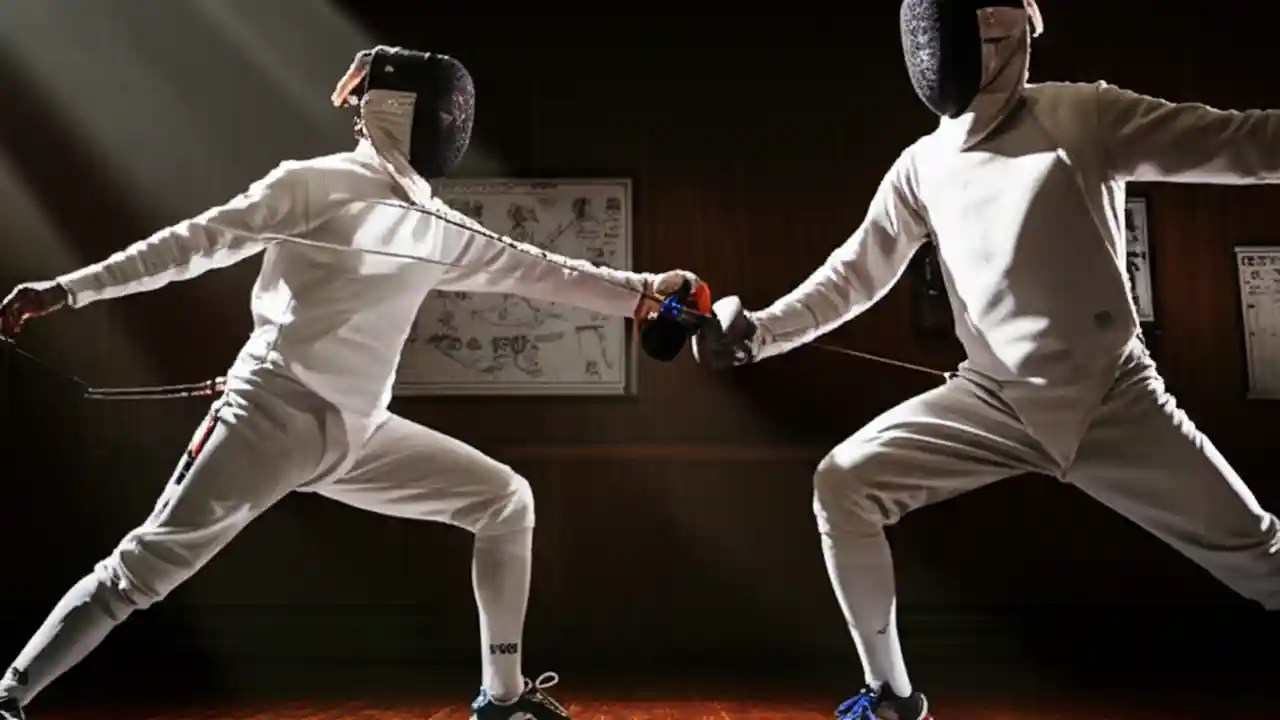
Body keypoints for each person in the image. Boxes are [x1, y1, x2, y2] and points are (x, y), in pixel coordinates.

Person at [0, 46, 698, 720]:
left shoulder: (436, 224)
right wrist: (67, 290)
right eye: (443, 113)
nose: (453, 125)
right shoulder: (310, 184)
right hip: (265, 418)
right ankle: (10, 694)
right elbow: (191, 244)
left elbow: (538, 269)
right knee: (139, 575)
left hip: (362, 434)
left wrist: (646, 294)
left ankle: (503, 697)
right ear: (407, 113)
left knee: (504, 500)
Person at [694, 2, 1280, 718]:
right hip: (992, 401)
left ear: (1015, 33)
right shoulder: (923, 165)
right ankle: (890, 697)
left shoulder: (1082, 116)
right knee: (844, 485)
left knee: (1261, 558)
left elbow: (1246, 145)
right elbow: (854, 274)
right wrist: (758, 332)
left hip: (1114, 397)